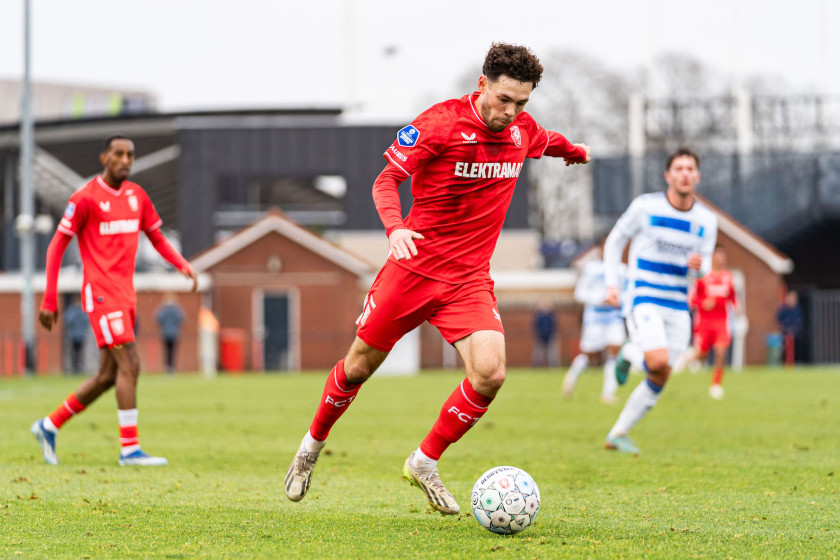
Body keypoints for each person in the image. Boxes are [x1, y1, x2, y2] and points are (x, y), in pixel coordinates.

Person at [284, 43, 590, 514]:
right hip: (412, 271)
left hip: (468, 280)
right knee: (359, 367)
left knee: (490, 374)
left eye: (522, 103)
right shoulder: (440, 123)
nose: (511, 112)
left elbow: (546, 141)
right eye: (504, 99)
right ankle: (311, 444)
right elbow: (386, 180)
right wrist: (396, 228)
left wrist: (576, 152)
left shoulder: (520, 130)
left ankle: (424, 461)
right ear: (483, 84)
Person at [31, 136, 198, 467]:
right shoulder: (85, 198)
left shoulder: (138, 197)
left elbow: (157, 237)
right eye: (118, 154)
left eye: (130, 155)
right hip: (101, 293)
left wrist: (181, 264)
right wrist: (50, 297)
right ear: (104, 157)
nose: (125, 160)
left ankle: (48, 426)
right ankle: (130, 450)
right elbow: (56, 245)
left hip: (126, 294)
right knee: (131, 363)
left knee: (108, 376)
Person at [601, 147, 717, 454]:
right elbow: (615, 240)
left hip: (678, 304)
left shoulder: (707, 219)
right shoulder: (645, 207)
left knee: (662, 372)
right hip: (644, 296)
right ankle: (628, 353)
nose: (685, 174)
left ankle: (617, 433)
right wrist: (612, 284)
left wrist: (700, 266)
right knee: (657, 360)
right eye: (679, 168)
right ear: (668, 176)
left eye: (690, 169)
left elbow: (705, 266)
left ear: (697, 176)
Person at [674, 245, 739, 398]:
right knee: (702, 355)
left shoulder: (728, 276)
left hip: (721, 321)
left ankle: (716, 385)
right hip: (704, 322)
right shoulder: (702, 276)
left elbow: (732, 296)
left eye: (723, 256)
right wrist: (703, 303)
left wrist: (736, 306)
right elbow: (692, 300)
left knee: (721, 352)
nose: (721, 259)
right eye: (718, 256)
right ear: (713, 257)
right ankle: (687, 357)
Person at [562, 257, 627, 404]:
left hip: (614, 318)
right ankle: (573, 375)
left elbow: (628, 292)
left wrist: (619, 300)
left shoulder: (623, 270)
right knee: (593, 360)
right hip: (594, 320)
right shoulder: (592, 268)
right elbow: (579, 293)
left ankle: (608, 394)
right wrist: (601, 298)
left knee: (614, 353)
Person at [155, 293, 185, 374]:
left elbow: (158, 318)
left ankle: (167, 367)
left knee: (166, 351)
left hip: (165, 333)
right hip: (174, 333)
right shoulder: (177, 309)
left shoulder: (162, 309)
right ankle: (171, 367)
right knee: (172, 351)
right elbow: (182, 319)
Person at [62, 295, 89, 375]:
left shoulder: (82, 311)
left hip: (81, 335)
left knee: (80, 353)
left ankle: (79, 368)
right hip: (72, 336)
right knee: (72, 353)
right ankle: (73, 368)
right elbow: (67, 320)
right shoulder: (71, 310)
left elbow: (86, 321)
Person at [776, 290, 804, 366]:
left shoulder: (798, 309)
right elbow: (779, 319)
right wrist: (785, 329)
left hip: (796, 333)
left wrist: (794, 329)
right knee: (784, 347)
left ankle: (798, 361)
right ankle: (783, 362)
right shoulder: (783, 309)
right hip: (785, 332)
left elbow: (800, 321)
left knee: (798, 346)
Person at [531, 299, 558, 368]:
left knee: (552, 353)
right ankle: (537, 366)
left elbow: (554, 325)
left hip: (550, 335)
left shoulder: (551, 315)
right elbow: (535, 325)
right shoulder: (538, 315)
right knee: (538, 354)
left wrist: (552, 333)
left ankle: (553, 366)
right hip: (540, 336)